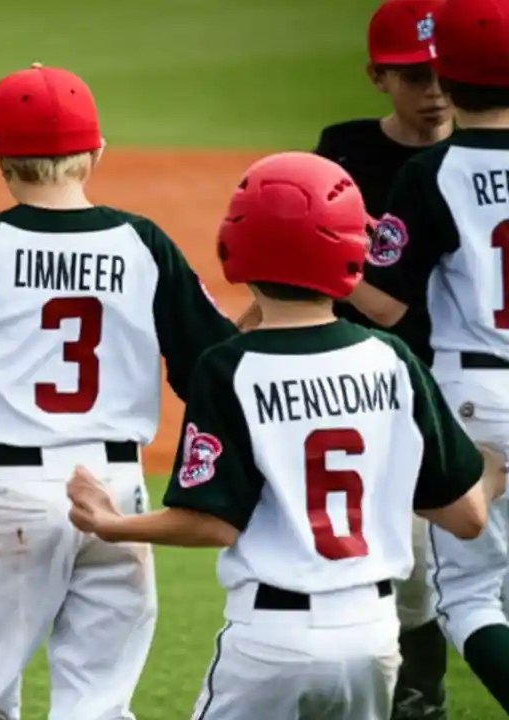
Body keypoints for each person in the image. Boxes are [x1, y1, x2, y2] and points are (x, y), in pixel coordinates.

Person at [0, 63, 238, 720]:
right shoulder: (144, 243)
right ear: (95, 154)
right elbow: (216, 364)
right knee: (97, 706)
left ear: (1, 162)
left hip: (14, 498)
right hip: (119, 498)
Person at [69, 150, 504, 719]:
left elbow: (212, 522)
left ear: (236, 249)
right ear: (352, 254)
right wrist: (492, 474)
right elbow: (467, 517)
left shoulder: (230, 367)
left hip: (270, 641)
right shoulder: (392, 359)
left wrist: (111, 523)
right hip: (374, 635)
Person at [347, 0, 509, 711]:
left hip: (474, 404)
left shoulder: (433, 173)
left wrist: (333, 252)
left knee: (468, 596)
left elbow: (383, 304)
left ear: (444, 71)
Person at [314, 2, 454, 714]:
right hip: (361, 390)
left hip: (448, 385)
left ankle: (421, 684)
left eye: (442, 72)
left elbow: (401, 305)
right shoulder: (343, 152)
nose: (432, 89)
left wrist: (339, 271)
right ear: (377, 77)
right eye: (413, 75)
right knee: (407, 566)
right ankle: (417, 692)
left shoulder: (472, 159)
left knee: (442, 566)